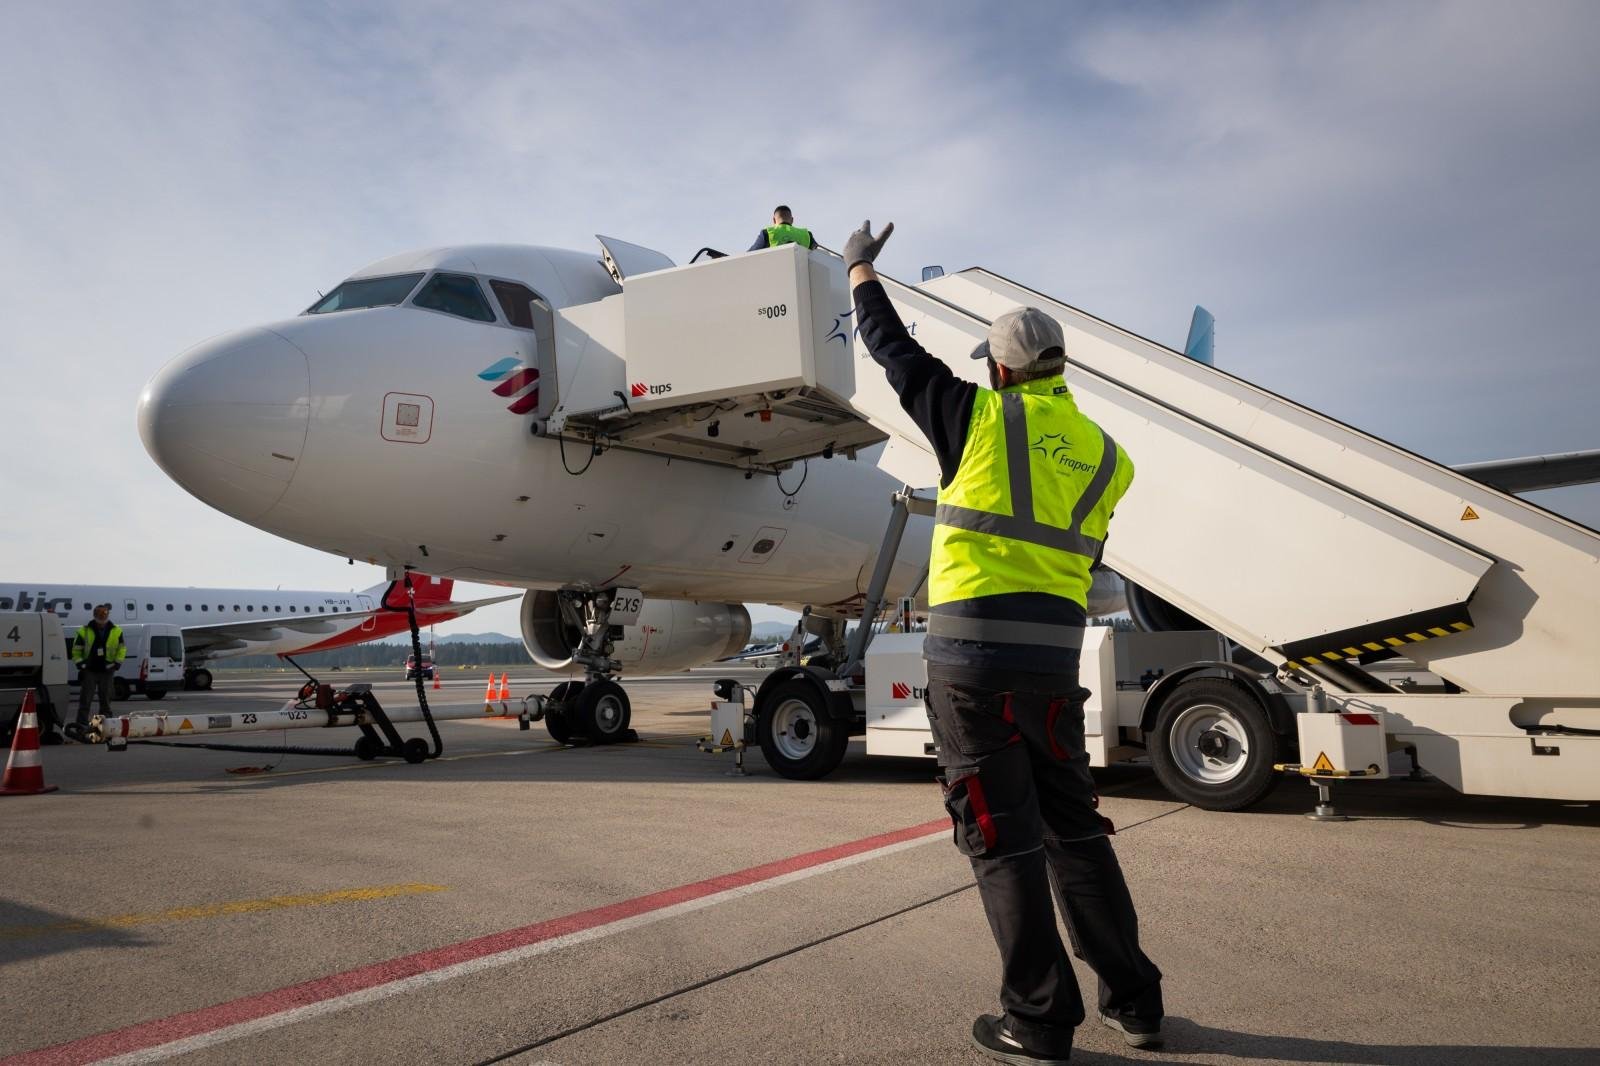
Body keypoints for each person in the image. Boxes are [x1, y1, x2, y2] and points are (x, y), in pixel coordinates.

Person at [842, 221, 1164, 1063]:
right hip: (1054, 666)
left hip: (971, 669)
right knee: (1076, 830)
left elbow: (892, 352)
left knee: (1002, 839)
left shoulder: (975, 418)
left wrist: (859, 269)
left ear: (1000, 367)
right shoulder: (1108, 456)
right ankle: (1135, 1000)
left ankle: (1039, 1019)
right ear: (1060, 365)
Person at [71, 603, 125, 730]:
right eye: (99, 616)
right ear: (95, 616)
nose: (102, 619)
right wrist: (81, 665)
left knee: (106, 699)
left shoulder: (116, 630)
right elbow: (76, 650)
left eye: (104, 616)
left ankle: (104, 726)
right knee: (86, 699)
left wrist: (117, 663)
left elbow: (122, 649)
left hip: (107, 669)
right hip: (90, 669)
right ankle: (81, 725)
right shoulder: (84, 631)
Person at [748, 205, 817, 251]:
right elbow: (818, 253)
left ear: (774, 220)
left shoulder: (767, 233)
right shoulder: (807, 234)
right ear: (792, 220)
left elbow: (750, 254)